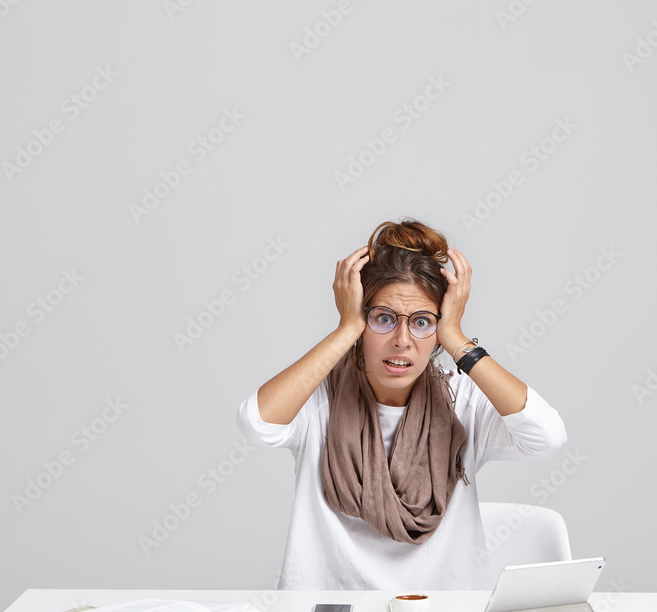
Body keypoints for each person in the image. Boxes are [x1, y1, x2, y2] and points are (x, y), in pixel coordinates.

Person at [236, 218, 567, 590]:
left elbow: (547, 437)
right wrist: (345, 329)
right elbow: (257, 423)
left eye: (422, 322)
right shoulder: (318, 396)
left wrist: (457, 338)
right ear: (362, 319)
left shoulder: (465, 399)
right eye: (383, 318)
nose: (402, 340)